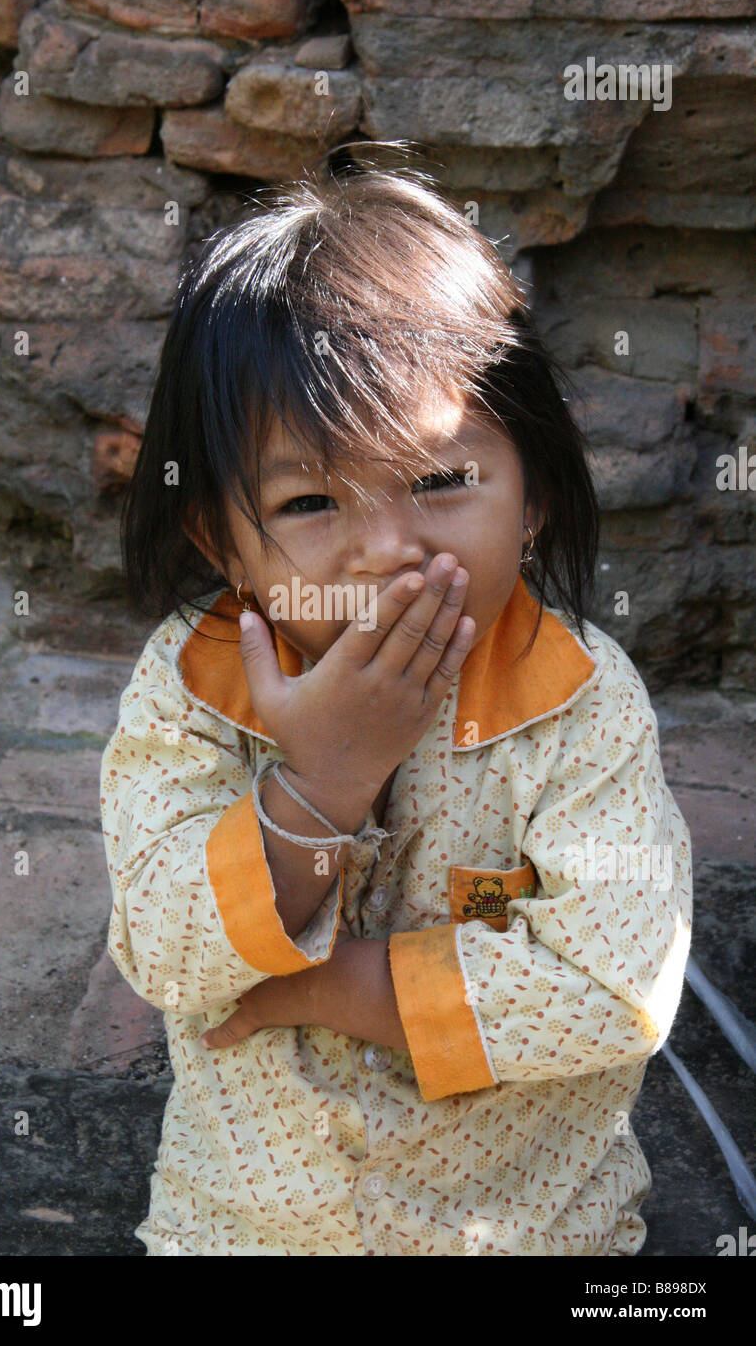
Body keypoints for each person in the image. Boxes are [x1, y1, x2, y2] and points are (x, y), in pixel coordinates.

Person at [100, 161, 692, 1256]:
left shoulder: (578, 705)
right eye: (309, 500)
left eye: (438, 481)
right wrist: (317, 785)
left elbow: (613, 990)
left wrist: (318, 983)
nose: (388, 549)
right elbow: (166, 953)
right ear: (218, 544)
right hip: (247, 1223)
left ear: (534, 493)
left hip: (525, 1225)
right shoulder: (190, 691)